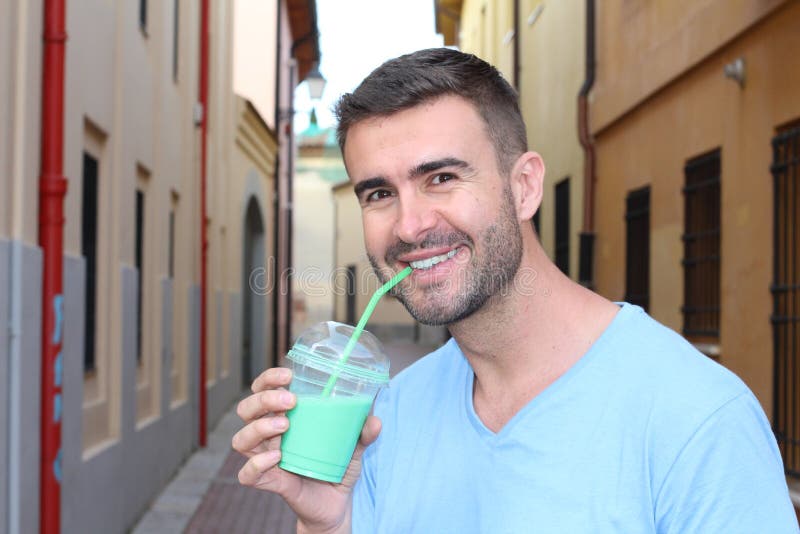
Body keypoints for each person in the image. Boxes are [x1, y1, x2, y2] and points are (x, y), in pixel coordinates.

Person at [232, 48, 798, 533]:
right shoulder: (390, 416)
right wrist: (327, 521)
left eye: (442, 178)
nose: (408, 226)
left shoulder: (696, 421)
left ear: (524, 187)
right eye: (379, 194)